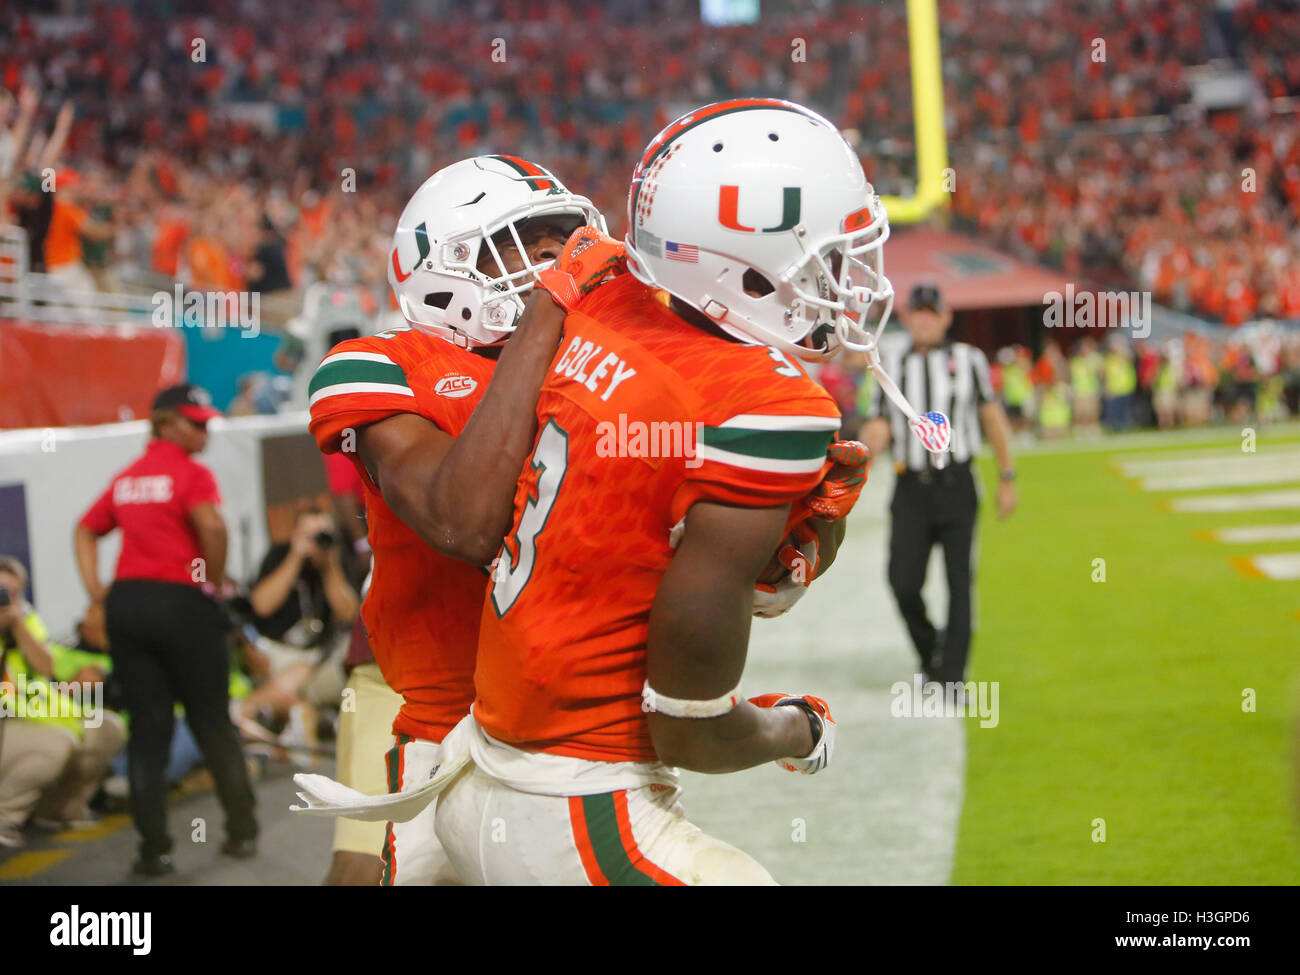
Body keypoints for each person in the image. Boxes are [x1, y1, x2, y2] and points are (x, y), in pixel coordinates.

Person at [429, 99, 879, 885]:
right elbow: (689, 732)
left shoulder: (603, 302)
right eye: (825, 260)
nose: (842, 281)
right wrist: (799, 730)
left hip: (476, 765)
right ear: (744, 261)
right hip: (573, 806)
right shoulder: (768, 405)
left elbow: (632, 526)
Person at [307, 155, 605, 884]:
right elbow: (461, 519)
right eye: (535, 247)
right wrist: (545, 320)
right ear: (446, 262)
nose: (560, 266)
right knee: (365, 871)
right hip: (428, 700)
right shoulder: (378, 364)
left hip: (569, 715)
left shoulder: (599, 373)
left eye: (567, 247)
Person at [74, 383, 258, 876]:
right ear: (165, 424)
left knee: (147, 732)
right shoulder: (191, 474)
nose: (205, 430)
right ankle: (242, 833)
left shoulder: (127, 478)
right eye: (195, 422)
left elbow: (85, 529)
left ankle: (153, 850)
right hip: (181, 603)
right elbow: (214, 529)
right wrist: (213, 587)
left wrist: (97, 593)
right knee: (210, 720)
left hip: (128, 604)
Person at [861, 283, 1017, 687]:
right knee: (903, 581)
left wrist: (1007, 475)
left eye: (934, 312)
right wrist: (869, 444)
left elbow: (990, 417)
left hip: (956, 483)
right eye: (919, 312)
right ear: (908, 316)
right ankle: (931, 649)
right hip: (910, 486)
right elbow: (879, 418)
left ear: (947, 316)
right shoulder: (890, 361)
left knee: (959, 583)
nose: (926, 319)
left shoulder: (969, 359)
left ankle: (951, 675)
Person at [0, 556, 125, 846]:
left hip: (36, 716)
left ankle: (58, 811)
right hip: (9, 721)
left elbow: (46, 667)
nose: (5, 599)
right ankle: (6, 816)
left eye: (12, 592)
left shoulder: (26, 619)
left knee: (108, 727)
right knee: (56, 742)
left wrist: (17, 625)